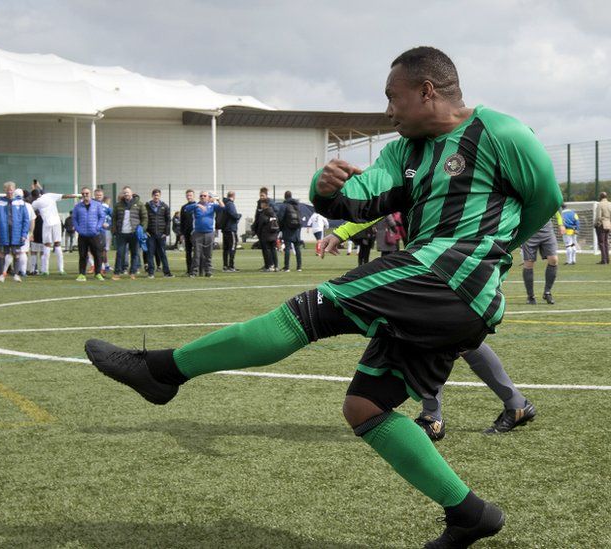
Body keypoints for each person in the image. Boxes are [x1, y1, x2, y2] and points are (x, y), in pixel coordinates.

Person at [83, 47, 562, 547]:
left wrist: (490, 253)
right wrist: (325, 185)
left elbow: (545, 200)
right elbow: (357, 200)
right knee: (365, 408)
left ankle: (163, 371)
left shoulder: (501, 132)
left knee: (308, 312)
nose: (388, 111)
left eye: (393, 98)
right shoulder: (403, 153)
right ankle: (469, 514)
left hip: (446, 276)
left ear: (427, 91)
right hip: (440, 293)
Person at [321, 226, 536, 440]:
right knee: (456, 338)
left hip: (449, 263)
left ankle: (433, 417)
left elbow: (380, 206)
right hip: (448, 261)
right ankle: (515, 404)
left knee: (433, 329)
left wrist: (342, 233)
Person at [31, 187, 80, 275]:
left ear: (33, 196)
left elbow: (31, 211)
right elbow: (65, 196)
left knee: (47, 245)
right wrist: (77, 195)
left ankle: (45, 270)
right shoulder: (49, 195)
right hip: (57, 222)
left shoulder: (35, 203)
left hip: (47, 224)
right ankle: (61, 269)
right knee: (57, 244)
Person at [0, 181, 30, 283]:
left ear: (14, 190)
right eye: (7, 190)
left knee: (16, 254)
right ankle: (1, 275)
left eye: (11, 190)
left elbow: (26, 220)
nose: (9, 192)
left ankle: (16, 275)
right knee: (2, 254)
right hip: (3, 233)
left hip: (16, 233)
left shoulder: (21, 203)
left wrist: (24, 234)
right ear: (4, 190)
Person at [521, 211, 562, 304]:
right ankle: (530, 296)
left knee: (554, 260)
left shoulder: (549, 200)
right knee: (528, 263)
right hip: (529, 231)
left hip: (547, 230)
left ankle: (547, 292)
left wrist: (561, 224)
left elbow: (556, 208)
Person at [111, 186, 147, 280]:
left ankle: (132, 272)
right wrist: (114, 230)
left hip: (134, 233)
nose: (126, 194)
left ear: (131, 193)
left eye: (127, 192)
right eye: (124, 193)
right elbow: (114, 218)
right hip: (121, 233)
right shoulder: (118, 205)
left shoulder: (139, 204)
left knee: (135, 254)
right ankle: (117, 273)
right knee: (120, 253)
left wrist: (142, 229)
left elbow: (144, 218)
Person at [71, 187, 107, 281]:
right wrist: (78, 229)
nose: (85, 195)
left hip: (94, 234)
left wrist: (97, 227)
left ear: (90, 194)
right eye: (83, 194)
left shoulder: (97, 205)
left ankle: (98, 273)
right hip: (82, 235)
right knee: (82, 255)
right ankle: (82, 274)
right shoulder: (77, 206)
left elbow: (102, 217)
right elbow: (74, 218)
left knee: (97, 255)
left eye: (86, 193)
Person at [190, 190, 223, 277]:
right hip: (198, 233)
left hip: (209, 233)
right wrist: (197, 205)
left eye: (205, 196)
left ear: (208, 197)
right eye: (201, 196)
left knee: (208, 254)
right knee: (196, 254)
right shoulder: (196, 205)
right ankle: (194, 272)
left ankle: (208, 271)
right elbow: (186, 209)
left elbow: (223, 208)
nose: (203, 197)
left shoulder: (212, 206)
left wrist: (218, 199)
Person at [144, 188, 173, 278]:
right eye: (154, 195)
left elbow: (168, 220)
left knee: (163, 254)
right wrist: (145, 231)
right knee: (150, 254)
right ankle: (151, 273)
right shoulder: (147, 206)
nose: (156, 197)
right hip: (150, 234)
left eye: (158, 195)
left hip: (161, 234)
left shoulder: (165, 206)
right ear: (152, 196)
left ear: (160, 196)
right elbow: (144, 219)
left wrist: (166, 232)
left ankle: (167, 273)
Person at [279, 191, 303, 272]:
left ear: (285, 197)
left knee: (287, 248)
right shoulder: (297, 205)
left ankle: (287, 267)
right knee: (297, 248)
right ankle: (299, 267)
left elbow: (280, 217)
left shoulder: (284, 205)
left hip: (287, 229)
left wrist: (281, 228)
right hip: (297, 230)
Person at [252, 198, 279, 271]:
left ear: (264, 204)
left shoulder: (263, 213)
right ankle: (276, 266)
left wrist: (258, 233)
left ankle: (268, 266)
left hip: (265, 235)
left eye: (261, 204)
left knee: (267, 251)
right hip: (273, 234)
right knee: (273, 250)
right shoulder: (273, 213)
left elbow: (260, 225)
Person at [220, 191, 242, 272]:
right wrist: (239, 215)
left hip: (225, 229)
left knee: (225, 248)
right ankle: (231, 266)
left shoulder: (224, 203)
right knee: (232, 247)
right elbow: (234, 215)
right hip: (231, 229)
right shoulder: (230, 204)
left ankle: (225, 266)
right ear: (233, 196)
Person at [179, 189, 197, 275]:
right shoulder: (184, 207)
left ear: (194, 196)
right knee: (188, 252)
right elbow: (182, 222)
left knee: (197, 252)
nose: (189, 197)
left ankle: (196, 269)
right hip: (187, 233)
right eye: (187, 195)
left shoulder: (198, 206)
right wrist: (181, 234)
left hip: (196, 233)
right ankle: (189, 269)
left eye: (190, 195)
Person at [598, 191, 611, 264]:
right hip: (608, 224)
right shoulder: (610, 204)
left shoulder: (600, 204)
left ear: (600, 196)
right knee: (606, 242)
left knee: (601, 242)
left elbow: (598, 216)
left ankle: (604, 260)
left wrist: (596, 224)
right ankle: (607, 259)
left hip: (602, 224)